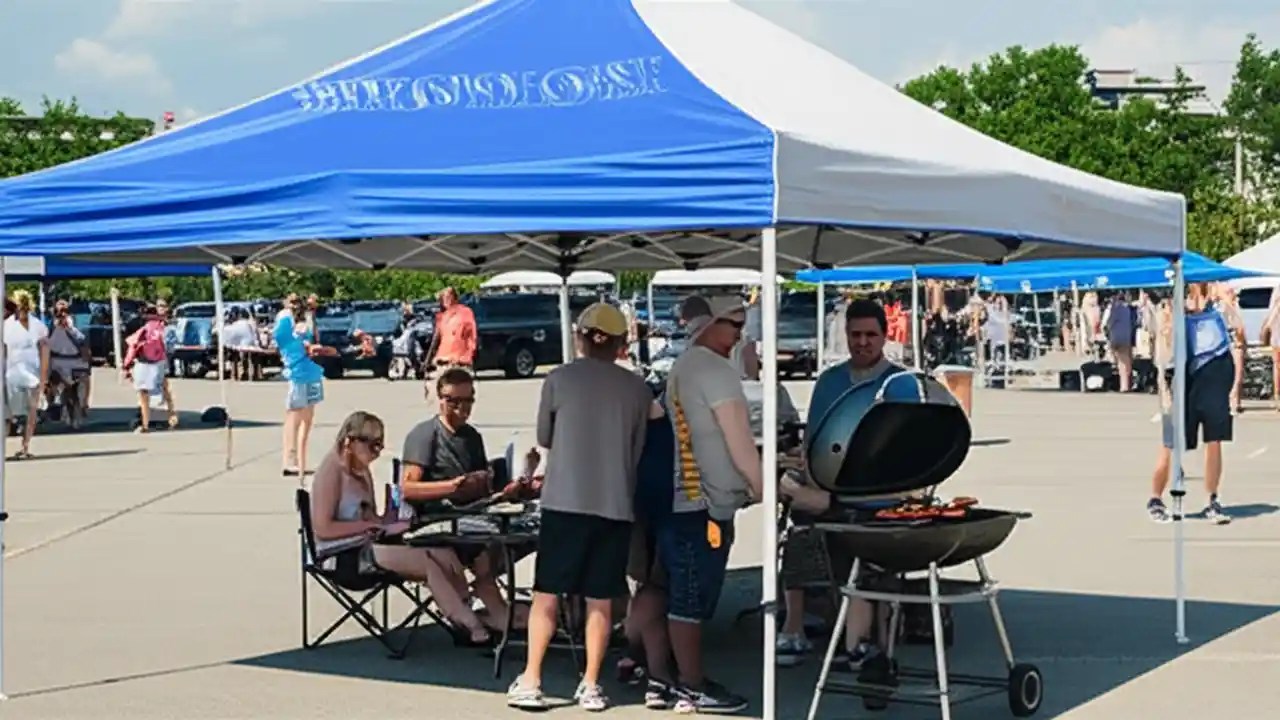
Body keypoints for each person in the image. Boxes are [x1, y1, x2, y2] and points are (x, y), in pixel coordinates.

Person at [507, 303, 652, 712]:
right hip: (614, 503)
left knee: (547, 594)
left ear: (583, 336)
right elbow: (638, 449)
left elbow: (544, 436)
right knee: (600, 599)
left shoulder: (558, 379)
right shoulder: (637, 389)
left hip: (564, 500)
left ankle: (533, 677)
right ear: (622, 343)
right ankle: (590, 682)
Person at [777, 299, 902, 669]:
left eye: (870, 335)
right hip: (829, 482)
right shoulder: (830, 381)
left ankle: (863, 640)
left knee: (864, 537)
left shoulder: (899, 382)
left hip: (880, 492)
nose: (863, 342)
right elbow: (814, 440)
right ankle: (793, 626)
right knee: (798, 518)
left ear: (885, 336)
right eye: (855, 335)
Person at [656, 295, 760, 713]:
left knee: (675, 590)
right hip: (701, 504)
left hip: (683, 499)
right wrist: (760, 484)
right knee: (691, 596)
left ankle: (665, 675)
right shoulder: (712, 368)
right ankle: (690, 683)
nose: (740, 333)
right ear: (709, 323)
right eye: (733, 324)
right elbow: (738, 440)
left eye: (742, 325)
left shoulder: (683, 366)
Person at [310, 411, 495, 645]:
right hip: (341, 556)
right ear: (351, 441)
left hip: (366, 544)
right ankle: (469, 623)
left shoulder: (361, 469)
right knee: (427, 562)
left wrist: (388, 519)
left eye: (381, 444)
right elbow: (322, 528)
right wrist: (372, 525)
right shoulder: (331, 471)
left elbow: (369, 518)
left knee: (442, 553)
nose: (378, 452)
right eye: (373, 444)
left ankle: (465, 609)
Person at [400, 367, 526, 635]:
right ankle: (494, 613)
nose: (462, 408)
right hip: (438, 519)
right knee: (485, 546)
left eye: (468, 400)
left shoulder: (472, 437)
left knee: (517, 534)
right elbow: (407, 489)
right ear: (440, 399)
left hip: (473, 513)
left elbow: (483, 487)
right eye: (453, 401)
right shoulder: (425, 435)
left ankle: (496, 611)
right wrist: (450, 488)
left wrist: (510, 488)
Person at [1148, 284, 1233, 525]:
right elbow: (1165, 358)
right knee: (1171, 444)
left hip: (1211, 381)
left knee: (1214, 439)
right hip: (1179, 382)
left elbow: (1235, 329)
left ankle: (1212, 499)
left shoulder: (1216, 314)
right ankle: (1155, 498)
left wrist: (1227, 302)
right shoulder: (1169, 315)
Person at [275, 293, 331, 477]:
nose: (295, 305)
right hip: (298, 374)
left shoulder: (307, 320)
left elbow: (312, 340)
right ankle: (289, 460)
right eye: (292, 302)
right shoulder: (285, 319)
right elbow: (285, 341)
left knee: (307, 418)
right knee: (294, 417)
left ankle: (299, 460)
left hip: (311, 373)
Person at [4, 290, 49, 460]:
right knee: (12, 414)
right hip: (12, 373)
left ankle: (25, 446)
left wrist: (43, 379)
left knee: (31, 411)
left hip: (31, 373)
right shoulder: (6, 325)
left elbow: (45, 352)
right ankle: (18, 447)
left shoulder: (37, 326)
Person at [123, 303, 178, 433]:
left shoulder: (144, 329)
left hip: (144, 363)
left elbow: (133, 347)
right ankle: (172, 417)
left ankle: (145, 423)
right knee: (165, 389)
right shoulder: (164, 328)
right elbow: (169, 346)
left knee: (143, 394)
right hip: (160, 362)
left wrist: (126, 365)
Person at [45, 299, 91, 429]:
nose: (62, 313)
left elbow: (82, 339)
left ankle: (79, 411)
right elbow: (46, 341)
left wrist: (69, 328)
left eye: (64, 310)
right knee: (55, 386)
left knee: (76, 390)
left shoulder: (74, 322)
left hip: (76, 361)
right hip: (57, 361)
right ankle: (53, 405)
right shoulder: (50, 324)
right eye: (58, 311)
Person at [426, 287, 477, 373]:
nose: (446, 301)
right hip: (443, 359)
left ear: (455, 298)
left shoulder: (465, 312)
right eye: (444, 298)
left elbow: (472, 336)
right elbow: (436, 339)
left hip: (459, 360)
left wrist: (468, 355)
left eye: (448, 297)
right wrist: (428, 360)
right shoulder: (442, 316)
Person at [1103, 292, 1137, 392]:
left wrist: (1107, 331)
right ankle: (1128, 383)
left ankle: (1124, 386)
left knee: (1121, 362)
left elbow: (1109, 323)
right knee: (1126, 361)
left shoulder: (1115, 309)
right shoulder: (1128, 309)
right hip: (1127, 337)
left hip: (1117, 338)